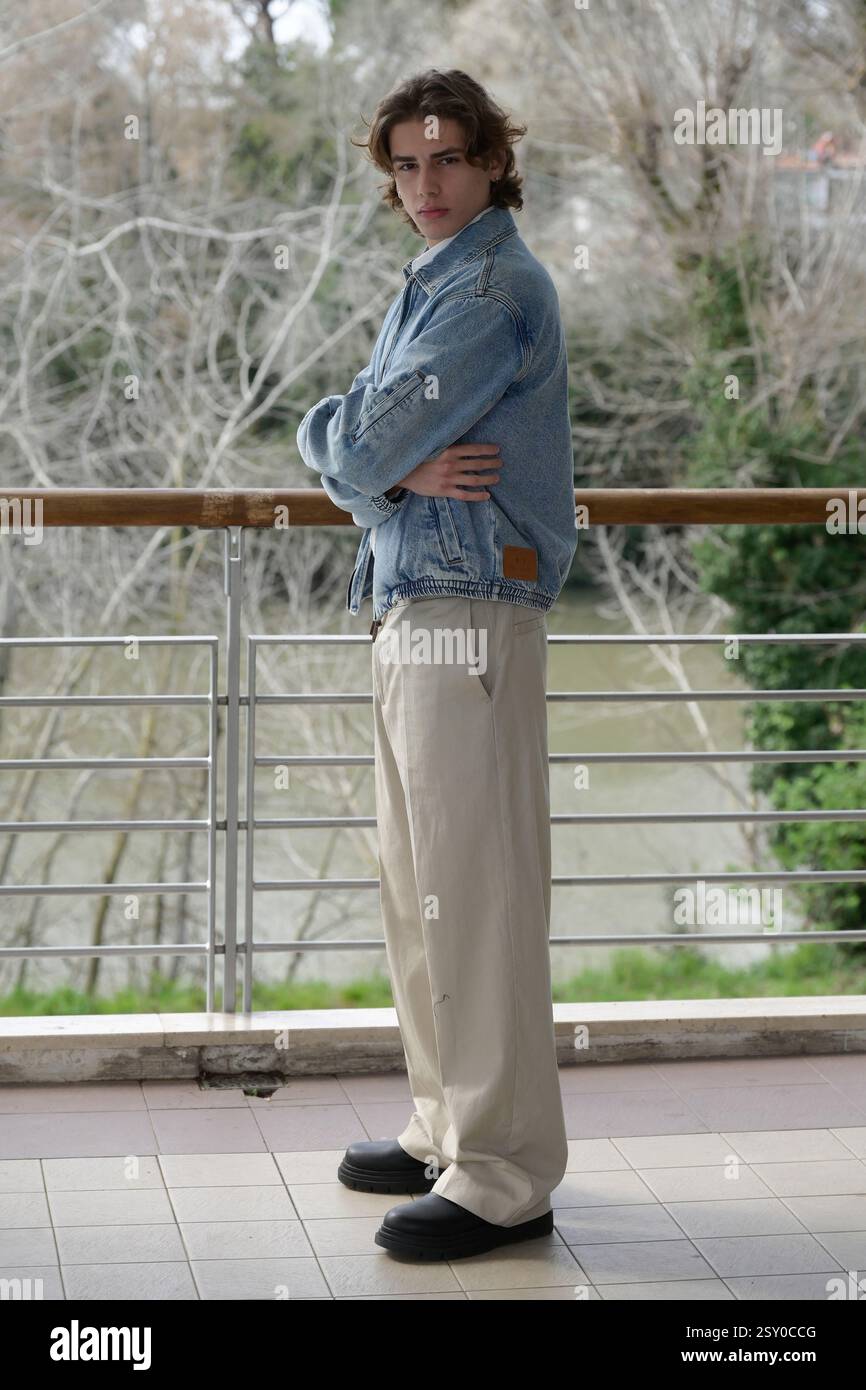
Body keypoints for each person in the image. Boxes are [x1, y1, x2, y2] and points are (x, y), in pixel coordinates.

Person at [296, 67, 578, 1261]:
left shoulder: (486, 290)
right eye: (405, 166)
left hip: (468, 606)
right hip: (416, 601)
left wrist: (364, 457)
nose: (424, 184)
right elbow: (366, 456)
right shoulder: (428, 281)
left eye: (447, 159)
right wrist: (381, 467)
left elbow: (352, 438)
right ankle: (442, 1123)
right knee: (416, 890)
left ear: (491, 162)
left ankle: (505, 1173)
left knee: (475, 898)